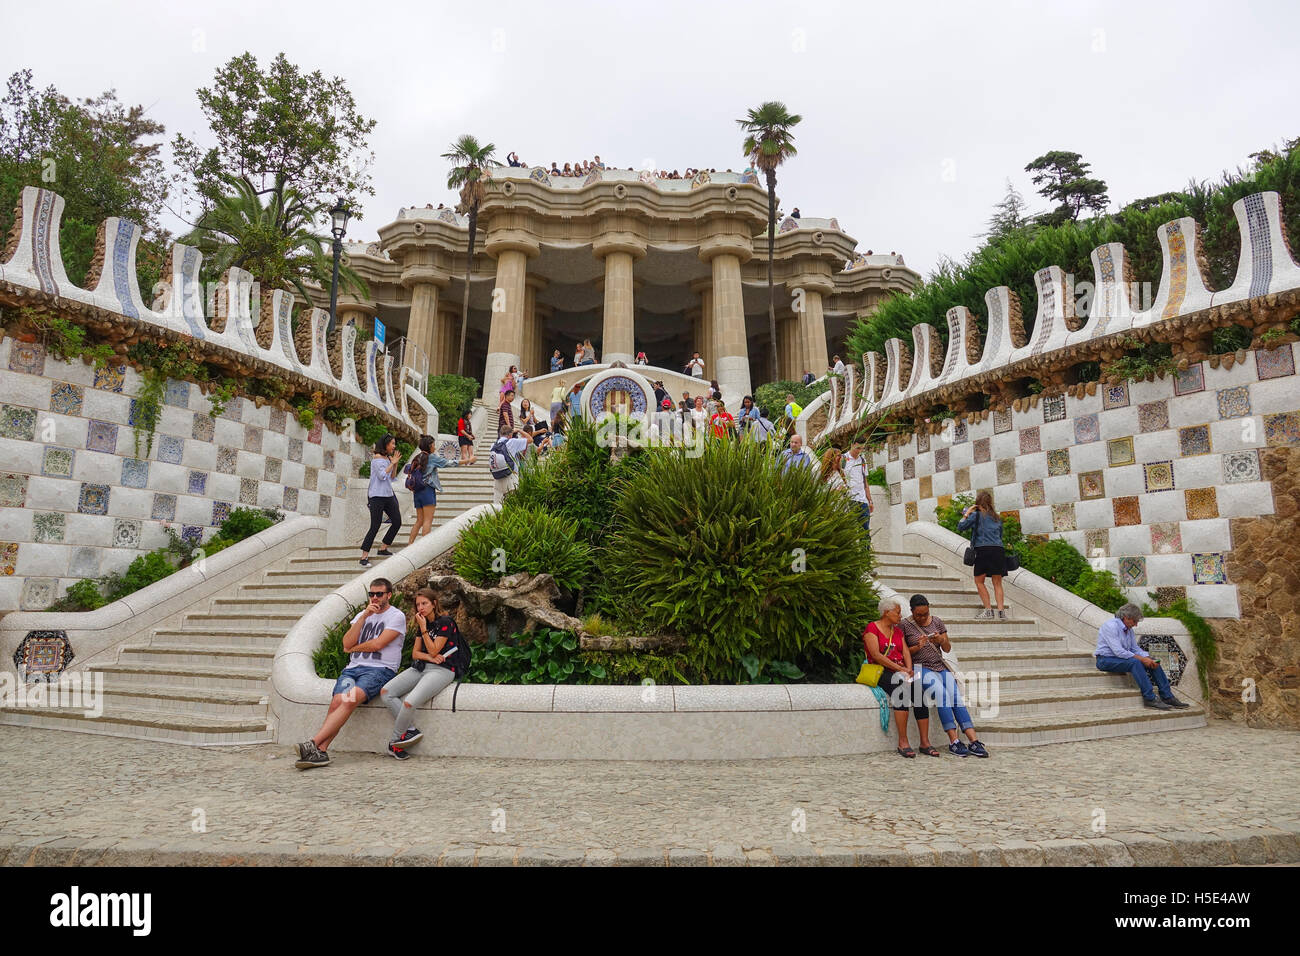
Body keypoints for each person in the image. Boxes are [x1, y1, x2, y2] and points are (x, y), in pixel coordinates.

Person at [295, 577, 407, 768]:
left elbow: (378, 644)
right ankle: (320, 752)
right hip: (353, 669)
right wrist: (364, 617)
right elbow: (346, 643)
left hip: (379, 670)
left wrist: (354, 649)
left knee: (349, 699)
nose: (375, 598)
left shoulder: (397, 616)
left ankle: (313, 743)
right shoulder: (363, 616)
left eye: (379, 594)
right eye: (371, 594)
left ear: (389, 595)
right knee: (337, 702)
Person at [901, 594, 989, 757]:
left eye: (925, 614)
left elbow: (947, 649)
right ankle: (954, 741)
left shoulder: (937, 622)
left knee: (955, 696)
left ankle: (973, 740)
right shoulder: (905, 625)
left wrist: (941, 640)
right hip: (920, 668)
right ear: (912, 611)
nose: (922, 618)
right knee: (941, 694)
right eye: (918, 615)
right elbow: (903, 652)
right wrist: (917, 647)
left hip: (940, 666)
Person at [378, 589, 461, 759]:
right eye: (418, 605)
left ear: (434, 603)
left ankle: (394, 743)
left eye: (425, 603)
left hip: (442, 670)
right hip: (422, 667)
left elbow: (434, 648)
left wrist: (424, 630)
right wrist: (429, 655)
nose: (421, 608)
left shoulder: (446, 622)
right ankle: (410, 730)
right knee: (386, 692)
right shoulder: (422, 623)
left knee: (409, 703)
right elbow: (416, 654)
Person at [863, 596, 927, 759]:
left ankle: (925, 742)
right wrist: (900, 669)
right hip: (882, 670)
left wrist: (909, 670)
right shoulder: (872, 628)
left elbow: (905, 651)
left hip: (901, 670)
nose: (900, 616)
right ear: (886, 612)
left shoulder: (897, 631)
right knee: (901, 689)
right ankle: (903, 741)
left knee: (919, 691)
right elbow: (876, 655)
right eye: (897, 613)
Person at [1095, 604, 1190, 711]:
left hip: (1120, 659)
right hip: (1105, 660)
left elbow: (1134, 648)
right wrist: (1142, 659)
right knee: (1135, 662)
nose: (1135, 625)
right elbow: (1119, 652)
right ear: (1126, 618)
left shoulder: (1128, 629)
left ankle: (1167, 696)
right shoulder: (1111, 626)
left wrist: (1148, 658)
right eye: (1134, 621)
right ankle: (1150, 698)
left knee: (1153, 662)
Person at [957, 492, 1007, 620]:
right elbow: (1000, 535)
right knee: (997, 583)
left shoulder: (976, 515)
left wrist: (967, 513)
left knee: (979, 581)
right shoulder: (997, 517)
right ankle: (1001, 612)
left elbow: (961, 526)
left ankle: (989, 611)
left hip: (983, 550)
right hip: (998, 550)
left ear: (978, 502)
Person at [405, 435, 459, 545]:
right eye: (433, 445)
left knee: (419, 521)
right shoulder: (431, 457)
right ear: (429, 446)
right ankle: (425, 547)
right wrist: (467, 460)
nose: (435, 447)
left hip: (417, 492)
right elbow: (448, 463)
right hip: (427, 491)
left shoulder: (417, 457)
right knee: (427, 520)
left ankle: (410, 545)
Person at [359, 435, 403, 567]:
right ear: (385, 445)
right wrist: (392, 463)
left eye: (395, 444)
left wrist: (394, 464)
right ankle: (364, 557)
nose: (394, 446)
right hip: (376, 496)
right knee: (375, 525)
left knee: (397, 521)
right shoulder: (377, 459)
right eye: (392, 444)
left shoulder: (388, 459)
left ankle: (383, 548)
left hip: (388, 495)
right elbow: (382, 476)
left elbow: (392, 477)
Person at [490, 427, 534, 504]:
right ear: (510, 435)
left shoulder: (493, 445)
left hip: (497, 477)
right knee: (512, 505)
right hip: (511, 477)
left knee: (498, 507)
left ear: (500, 434)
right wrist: (520, 430)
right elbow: (530, 439)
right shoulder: (512, 442)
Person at [842, 439, 873, 532]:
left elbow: (865, 481)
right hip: (849, 499)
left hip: (863, 500)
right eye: (858, 448)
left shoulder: (862, 460)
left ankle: (866, 547)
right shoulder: (843, 458)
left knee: (865, 531)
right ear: (852, 445)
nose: (859, 451)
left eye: (862, 449)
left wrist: (870, 500)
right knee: (850, 530)